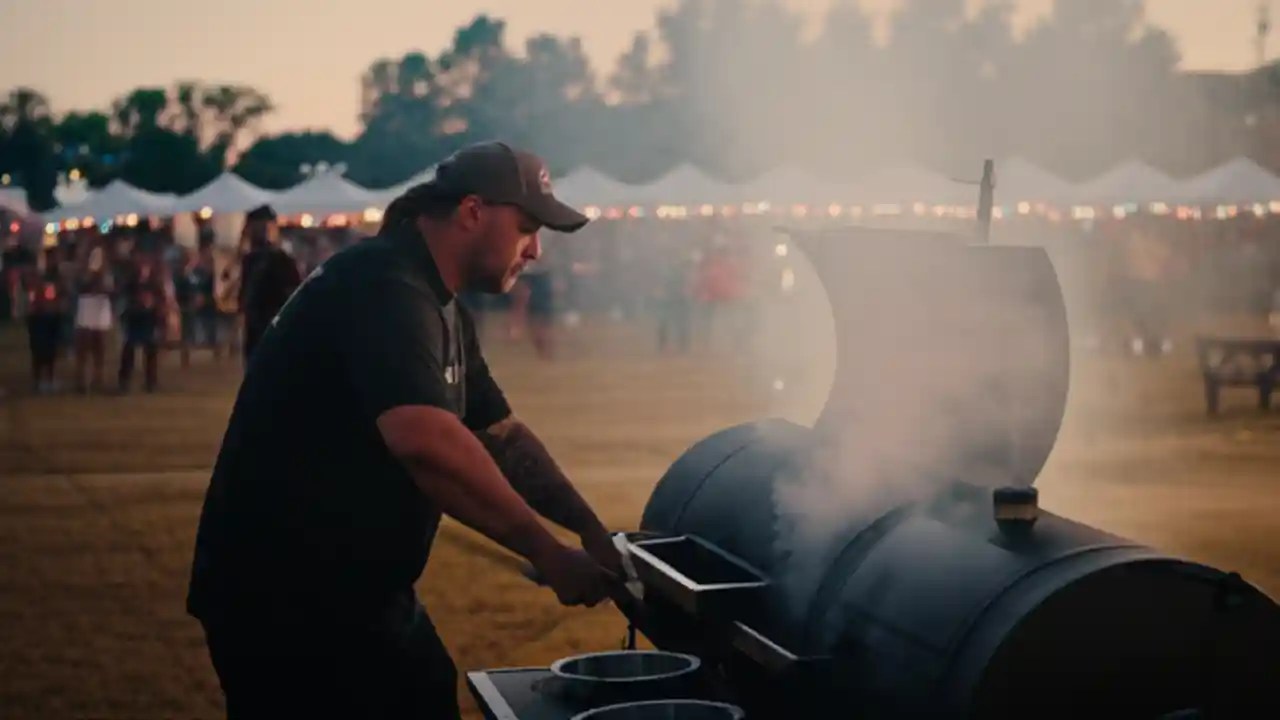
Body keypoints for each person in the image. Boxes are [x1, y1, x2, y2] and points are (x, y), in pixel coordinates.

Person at [187, 141, 622, 719]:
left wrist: (593, 533)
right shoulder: (385, 285)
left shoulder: (437, 304)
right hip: (288, 602)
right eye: (526, 228)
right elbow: (424, 440)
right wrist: (546, 551)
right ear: (473, 212)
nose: (537, 251)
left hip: (358, 595)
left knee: (423, 688)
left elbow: (501, 433)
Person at [238, 204, 301, 362]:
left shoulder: (280, 259)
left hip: (273, 326)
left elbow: (292, 294)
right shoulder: (249, 260)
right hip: (256, 330)